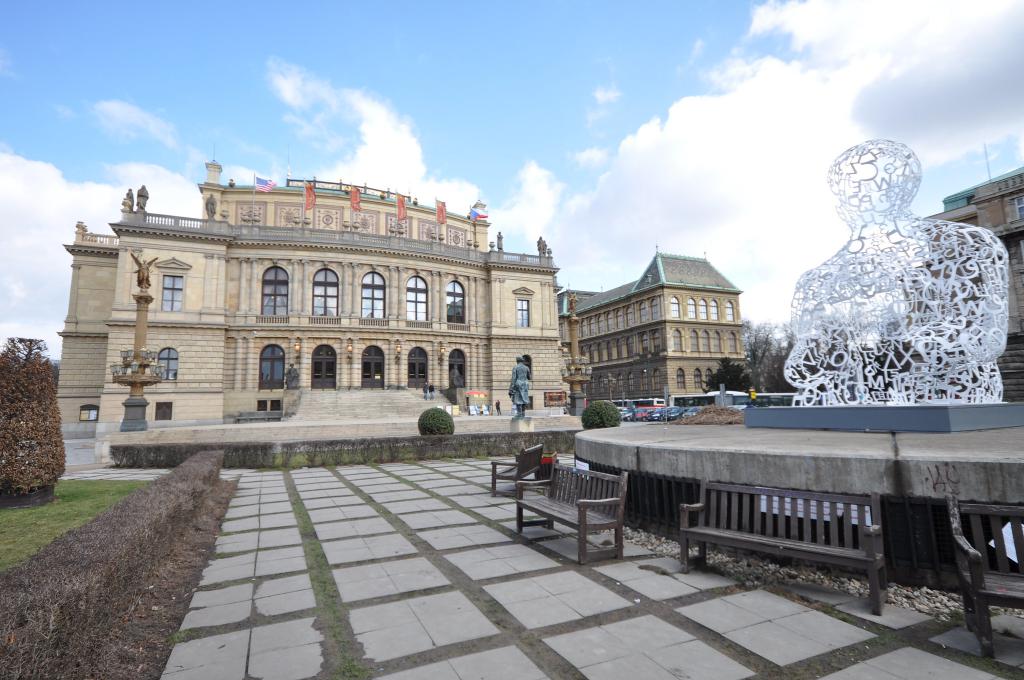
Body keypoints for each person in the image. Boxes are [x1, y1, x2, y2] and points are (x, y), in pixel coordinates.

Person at [785, 139, 1009, 405]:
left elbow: (989, 338)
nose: (859, 197)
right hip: (863, 399)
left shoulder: (970, 245)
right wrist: (819, 350)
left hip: (951, 392)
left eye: (868, 187)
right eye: (849, 189)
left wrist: (937, 339)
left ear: (905, 188)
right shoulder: (817, 280)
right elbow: (801, 370)